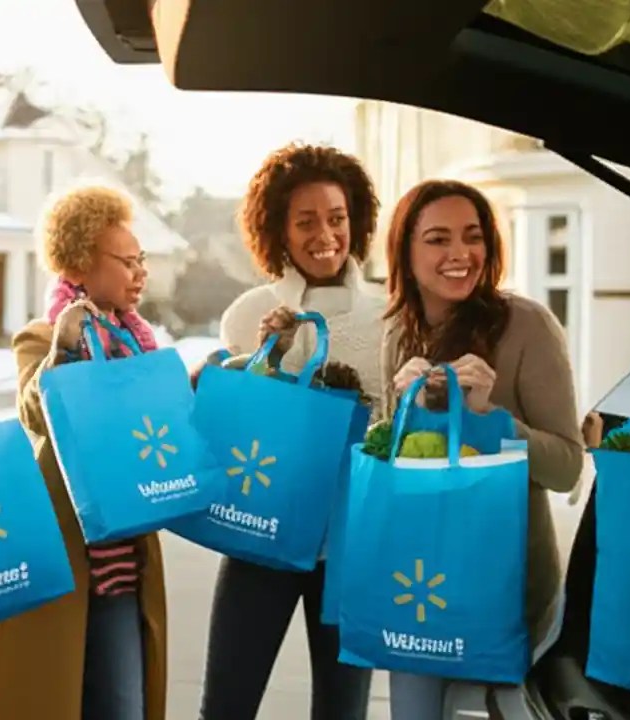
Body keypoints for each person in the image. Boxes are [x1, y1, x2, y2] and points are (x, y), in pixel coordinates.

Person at [0, 184, 168, 720]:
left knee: (124, 706)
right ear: (81, 262)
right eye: (127, 261)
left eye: (142, 260)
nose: (140, 273)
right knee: (53, 699)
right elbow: (34, 409)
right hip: (63, 561)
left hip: (124, 565)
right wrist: (65, 346)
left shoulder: (138, 344)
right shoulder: (41, 339)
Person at [381, 179, 583, 719]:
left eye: (473, 237)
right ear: (405, 251)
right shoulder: (397, 334)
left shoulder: (527, 325)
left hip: (503, 592)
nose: (460, 253)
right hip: (416, 584)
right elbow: (390, 465)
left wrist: (488, 418)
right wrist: (400, 413)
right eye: (438, 239)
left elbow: (567, 467)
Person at [198, 142, 383, 720]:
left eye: (337, 218)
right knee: (226, 707)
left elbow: (390, 433)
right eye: (306, 221)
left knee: (342, 712)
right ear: (278, 228)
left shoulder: (391, 316)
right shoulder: (247, 313)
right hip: (259, 535)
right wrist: (262, 360)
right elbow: (237, 423)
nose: (325, 235)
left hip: (348, 546)